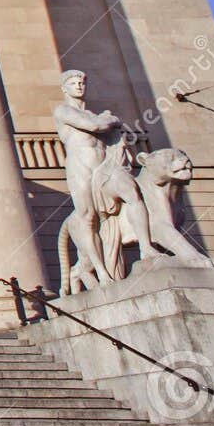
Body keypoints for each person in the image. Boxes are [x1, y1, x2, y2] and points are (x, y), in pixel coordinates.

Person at [54, 69, 153, 284]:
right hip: (81, 170)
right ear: (64, 88)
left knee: (132, 193)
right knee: (88, 218)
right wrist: (111, 119)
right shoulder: (63, 111)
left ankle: (146, 248)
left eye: (82, 82)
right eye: (73, 83)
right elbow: (95, 126)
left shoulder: (93, 114)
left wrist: (108, 123)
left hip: (106, 168)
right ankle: (101, 272)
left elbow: (103, 129)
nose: (79, 86)